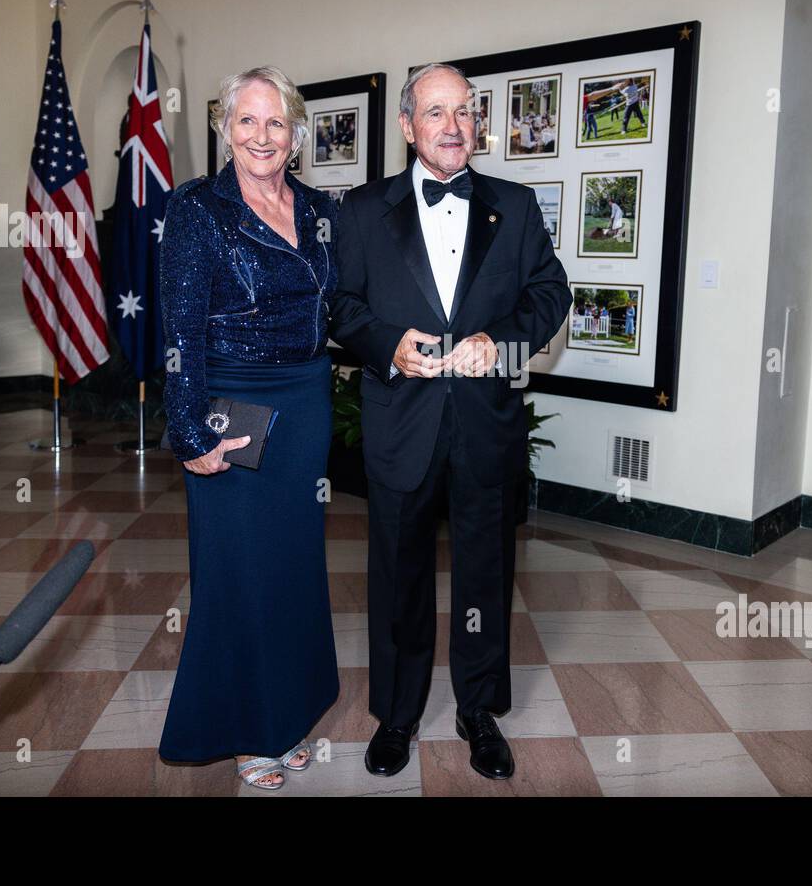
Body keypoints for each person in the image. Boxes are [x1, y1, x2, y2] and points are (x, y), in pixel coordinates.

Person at [330, 62, 570, 781]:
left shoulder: (516, 206)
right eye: (436, 112)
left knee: (485, 574)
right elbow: (340, 304)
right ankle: (396, 715)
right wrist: (387, 345)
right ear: (407, 126)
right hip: (401, 424)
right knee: (397, 574)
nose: (453, 126)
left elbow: (550, 294)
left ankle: (479, 710)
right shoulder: (362, 210)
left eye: (464, 111)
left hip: (485, 426)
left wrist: (501, 345)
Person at [157, 66, 340, 791]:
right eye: (246, 121)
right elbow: (179, 330)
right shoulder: (197, 209)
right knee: (236, 572)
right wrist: (190, 433)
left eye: (275, 123)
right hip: (230, 404)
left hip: (306, 401)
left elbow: (342, 302)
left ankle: (286, 713)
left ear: (295, 134)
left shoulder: (321, 208)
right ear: (225, 129)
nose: (261, 136)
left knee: (292, 567)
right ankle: (242, 729)